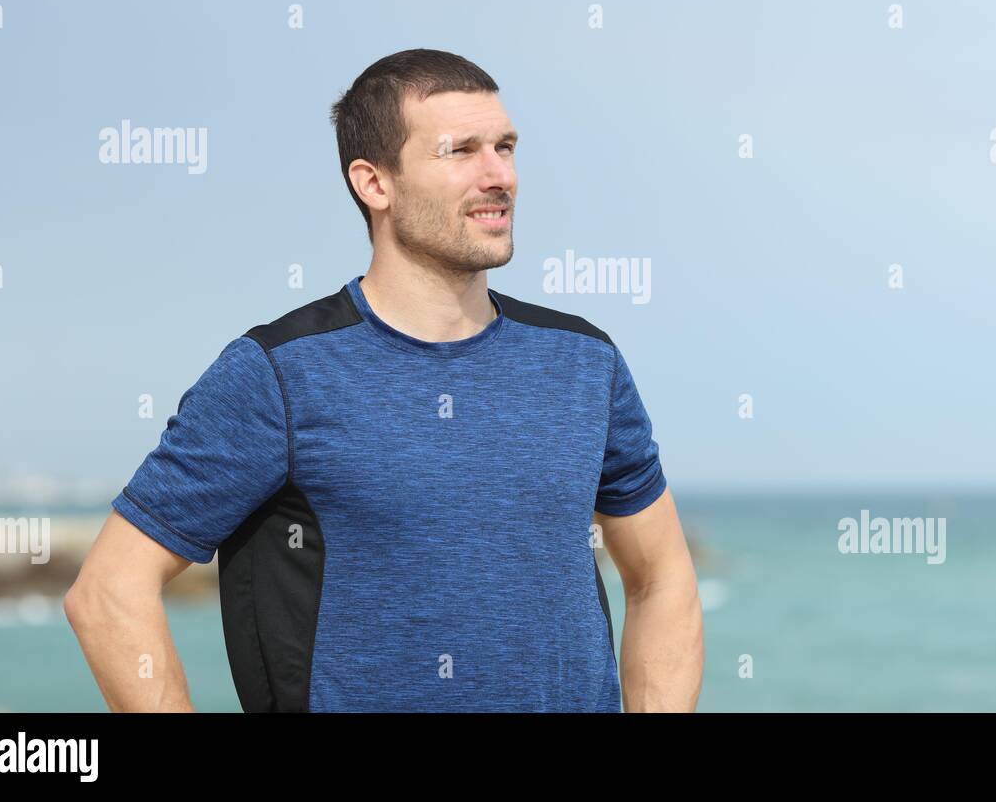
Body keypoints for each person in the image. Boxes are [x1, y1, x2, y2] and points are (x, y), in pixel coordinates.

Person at [64, 48, 703, 712]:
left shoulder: (583, 362)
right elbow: (109, 590)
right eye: (460, 152)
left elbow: (661, 576)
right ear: (374, 183)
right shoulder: (278, 374)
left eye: (505, 148)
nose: (499, 176)